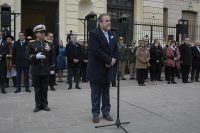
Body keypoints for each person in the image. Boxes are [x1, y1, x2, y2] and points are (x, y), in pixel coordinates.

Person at [86, 13, 118, 123]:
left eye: (109, 20)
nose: (109, 22)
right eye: (106, 20)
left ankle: (106, 112)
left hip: (107, 69)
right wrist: (108, 60)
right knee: (95, 93)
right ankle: (95, 114)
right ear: (100, 22)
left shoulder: (112, 34)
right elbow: (96, 51)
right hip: (96, 69)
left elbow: (115, 50)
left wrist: (112, 61)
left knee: (106, 93)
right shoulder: (94, 34)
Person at [26, 24, 55, 112]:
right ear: (36, 34)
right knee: (37, 89)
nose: (43, 34)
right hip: (36, 69)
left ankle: (45, 105)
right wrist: (35, 56)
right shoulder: (31, 43)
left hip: (45, 69)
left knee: (45, 88)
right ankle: (38, 105)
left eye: (43, 32)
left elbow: (52, 57)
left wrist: (52, 68)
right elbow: (27, 55)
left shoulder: (49, 43)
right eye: (40, 32)